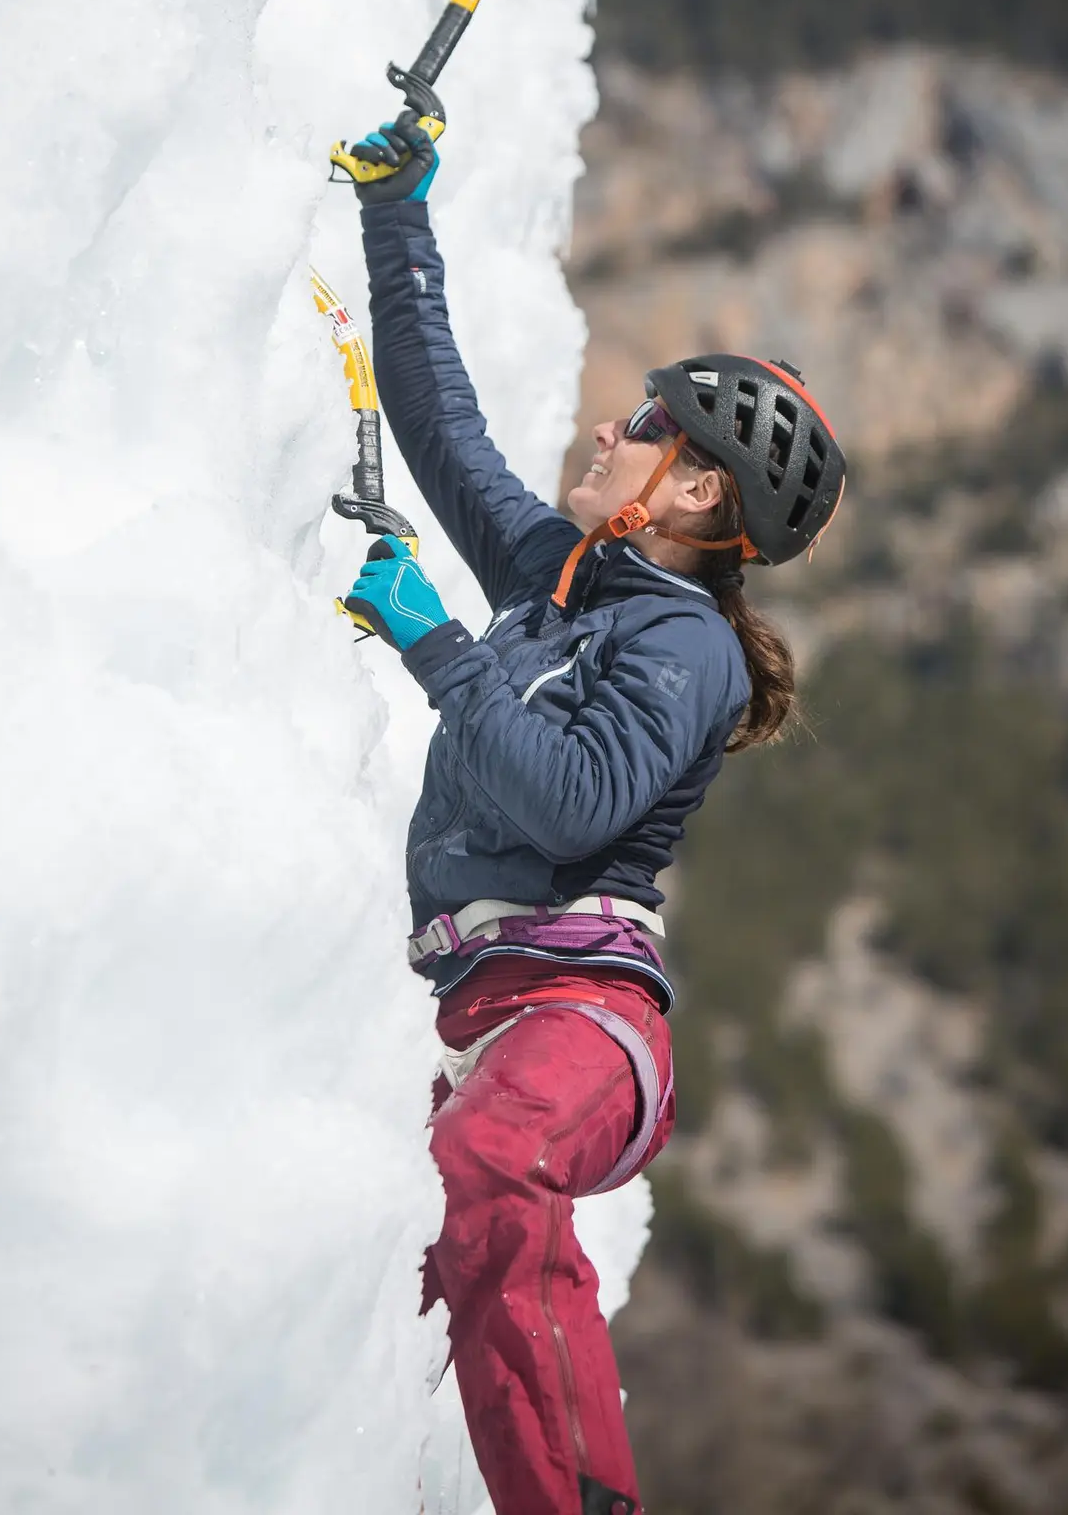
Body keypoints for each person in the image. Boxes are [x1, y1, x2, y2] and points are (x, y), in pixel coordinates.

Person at [343, 114, 847, 1515]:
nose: (604, 431)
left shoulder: (683, 649)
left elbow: (573, 804)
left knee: (494, 1167)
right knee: (391, 1255)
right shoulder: (564, 577)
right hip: (481, 1010)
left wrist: (438, 646)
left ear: (694, 488)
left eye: (642, 426)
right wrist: (400, 223)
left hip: (583, 1025)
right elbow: (443, 428)